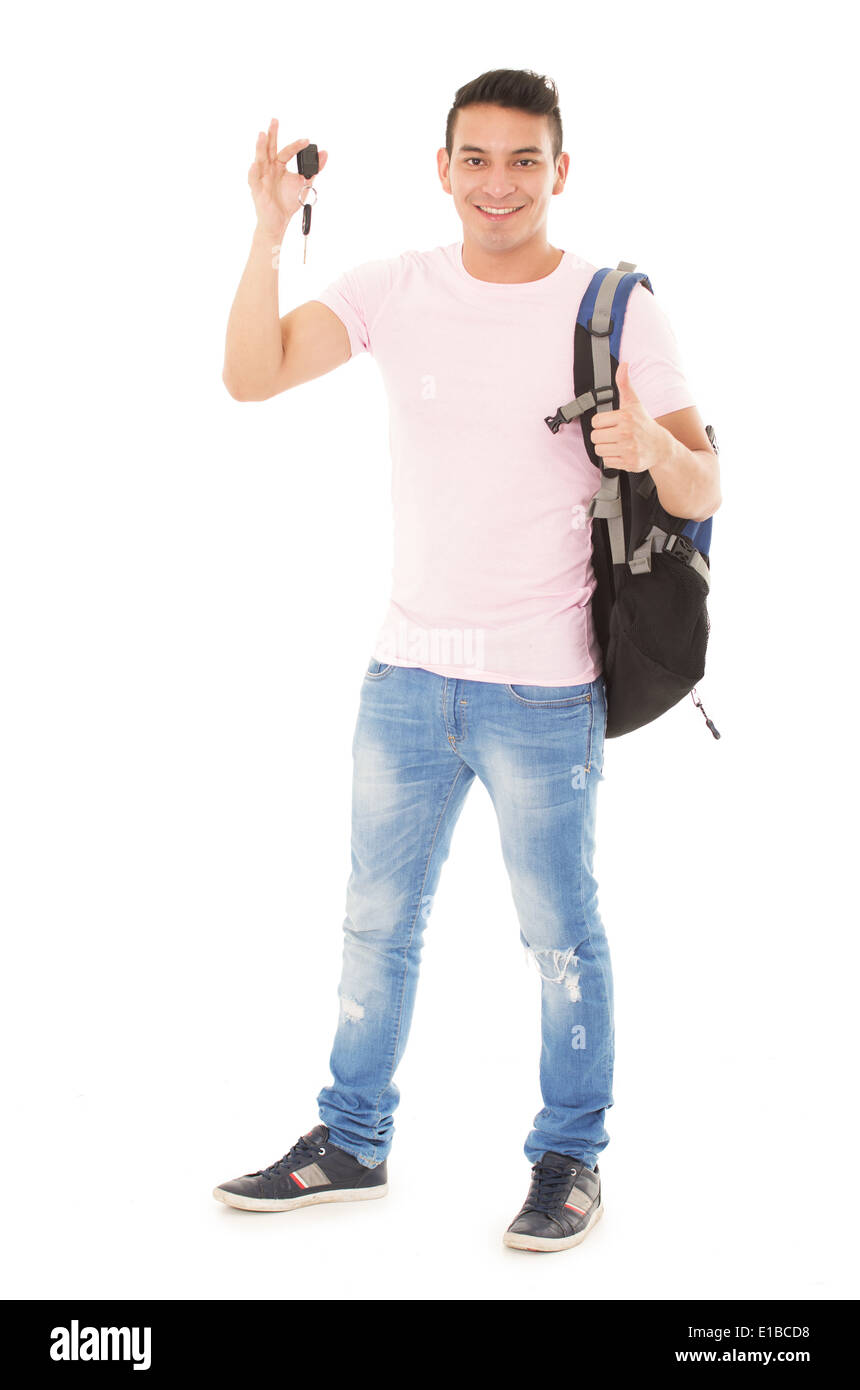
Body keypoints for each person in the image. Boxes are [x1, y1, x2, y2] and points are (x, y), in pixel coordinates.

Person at [213, 68, 721, 1252]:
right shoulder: (393, 288)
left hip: (544, 688)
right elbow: (250, 374)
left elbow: (703, 487)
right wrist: (262, 235)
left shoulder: (615, 304)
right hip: (402, 679)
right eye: (476, 159)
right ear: (442, 168)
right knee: (373, 925)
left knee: (560, 934)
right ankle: (350, 1139)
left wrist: (647, 441)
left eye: (523, 160)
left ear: (558, 170)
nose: (498, 183)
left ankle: (568, 1158)